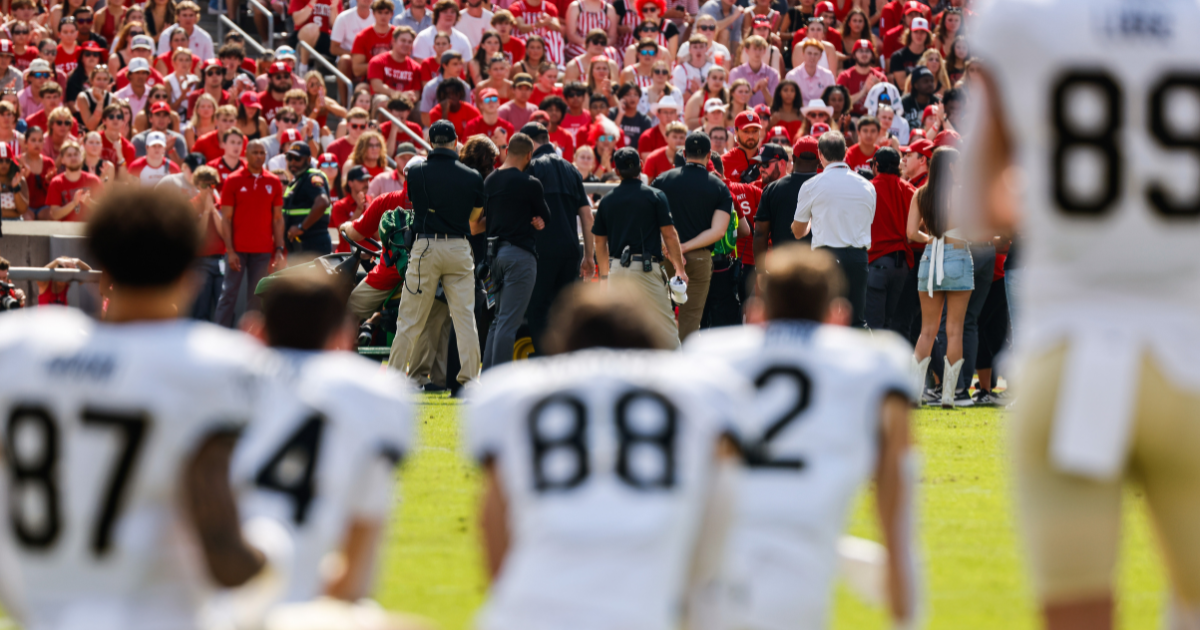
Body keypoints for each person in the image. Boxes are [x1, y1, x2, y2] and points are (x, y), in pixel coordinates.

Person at [0, 185, 268, 630]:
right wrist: (279, 552)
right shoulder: (213, 365)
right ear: (190, 274)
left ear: (103, 272)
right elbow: (227, 560)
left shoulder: (20, 346)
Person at [466, 282, 746, 630]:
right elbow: (718, 521)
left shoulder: (511, 393)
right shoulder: (700, 391)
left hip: (528, 612)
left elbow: (493, 523)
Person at [684, 244, 918, 630]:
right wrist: (904, 605)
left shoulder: (707, 355)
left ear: (756, 314)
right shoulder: (875, 361)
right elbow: (897, 485)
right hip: (804, 557)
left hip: (714, 568)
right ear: (838, 316)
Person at [230, 270, 413, 606]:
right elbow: (356, 570)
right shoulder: (375, 393)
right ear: (343, 338)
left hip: (222, 591)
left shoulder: (223, 380)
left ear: (256, 332)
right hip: (310, 592)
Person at [387, 120, 482, 391]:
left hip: (426, 246)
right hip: (459, 246)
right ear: (454, 141)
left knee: (409, 321)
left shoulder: (415, 172)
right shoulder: (472, 175)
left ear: (430, 142)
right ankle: (471, 381)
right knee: (465, 318)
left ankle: (393, 381)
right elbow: (475, 218)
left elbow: (415, 202)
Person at [651, 130, 733, 342]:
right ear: (709, 155)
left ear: (684, 153)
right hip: (698, 258)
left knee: (660, 315)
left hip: (664, 255)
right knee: (690, 319)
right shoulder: (719, 186)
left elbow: (650, 221)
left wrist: (672, 248)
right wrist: (685, 248)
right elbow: (719, 231)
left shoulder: (662, 180)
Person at [520, 121, 594, 355]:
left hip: (541, 250)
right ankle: (567, 358)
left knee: (538, 306)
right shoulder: (571, 169)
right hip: (570, 250)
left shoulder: (530, 166)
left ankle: (545, 359)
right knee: (568, 310)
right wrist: (589, 256)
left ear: (531, 142)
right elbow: (586, 215)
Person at [477, 133, 549, 370]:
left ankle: (487, 377)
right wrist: (538, 221)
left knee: (498, 321)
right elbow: (545, 216)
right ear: (529, 155)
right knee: (509, 322)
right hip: (519, 255)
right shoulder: (530, 183)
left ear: (507, 151)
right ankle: (498, 382)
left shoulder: (489, 181)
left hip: (492, 258)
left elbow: (482, 219)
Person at [792, 131, 875, 329]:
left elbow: (798, 231)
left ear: (819, 154)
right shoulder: (867, 186)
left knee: (822, 318)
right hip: (858, 257)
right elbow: (866, 221)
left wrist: (813, 222)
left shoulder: (811, 185)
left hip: (826, 257)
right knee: (856, 321)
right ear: (845, 152)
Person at [907, 147, 969, 409]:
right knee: (954, 330)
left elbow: (911, 233)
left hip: (931, 257)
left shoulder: (921, 193)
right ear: (952, 166)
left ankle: (915, 393)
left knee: (926, 331)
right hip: (957, 255)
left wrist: (932, 239)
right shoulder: (964, 193)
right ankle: (948, 396)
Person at [214, 140, 284, 327]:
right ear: (246, 153)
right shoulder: (233, 180)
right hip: (237, 249)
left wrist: (279, 247)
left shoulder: (274, 181)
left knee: (256, 296)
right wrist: (229, 250)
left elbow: (277, 219)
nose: (259, 156)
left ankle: (250, 337)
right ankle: (219, 333)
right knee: (228, 293)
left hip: (262, 250)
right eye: (255, 152)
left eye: (262, 153)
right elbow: (226, 218)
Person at [864, 146, 915, 333]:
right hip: (902, 265)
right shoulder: (909, 189)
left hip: (877, 263)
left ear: (876, 165)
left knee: (874, 327)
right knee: (892, 326)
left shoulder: (868, 188)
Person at [281, 141, 332, 255]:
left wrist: (301, 227)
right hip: (301, 245)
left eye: (298, 158)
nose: (293, 162)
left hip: (313, 243)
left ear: (308, 160)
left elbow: (322, 202)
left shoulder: (312, 177)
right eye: (290, 157)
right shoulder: (297, 180)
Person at [722, 109, 763, 183]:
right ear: (736, 132)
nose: (751, 136)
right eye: (746, 131)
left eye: (755, 131)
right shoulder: (723, 162)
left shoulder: (768, 160)